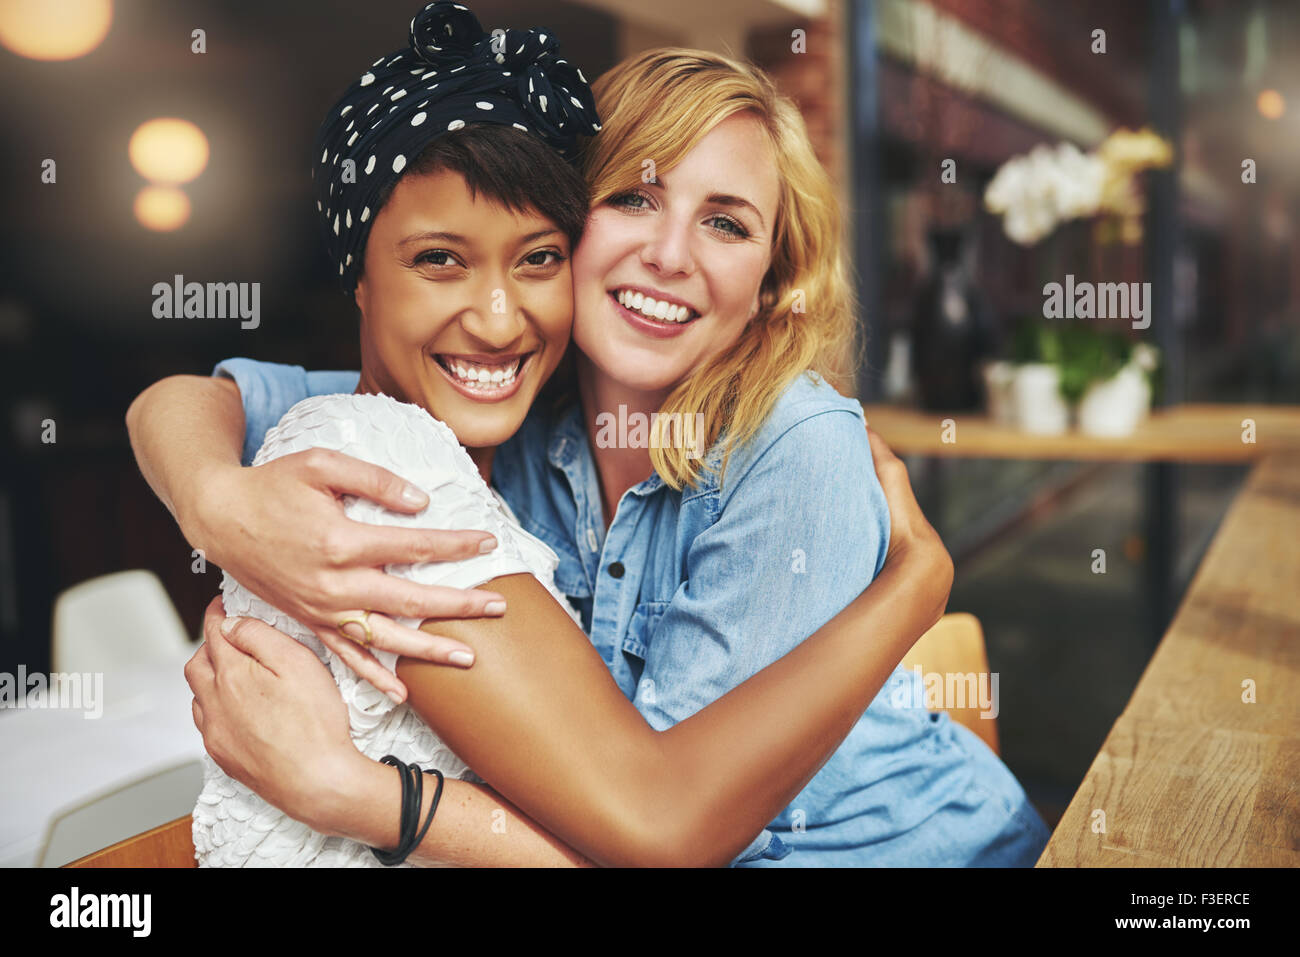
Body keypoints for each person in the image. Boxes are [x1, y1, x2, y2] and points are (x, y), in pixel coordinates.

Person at [129, 18, 1048, 866]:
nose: (671, 255)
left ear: (772, 282)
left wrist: (367, 796)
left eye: (726, 222)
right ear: (572, 220)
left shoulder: (793, 447)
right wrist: (218, 500)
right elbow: (189, 401)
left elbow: (671, 833)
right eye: (636, 198)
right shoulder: (503, 404)